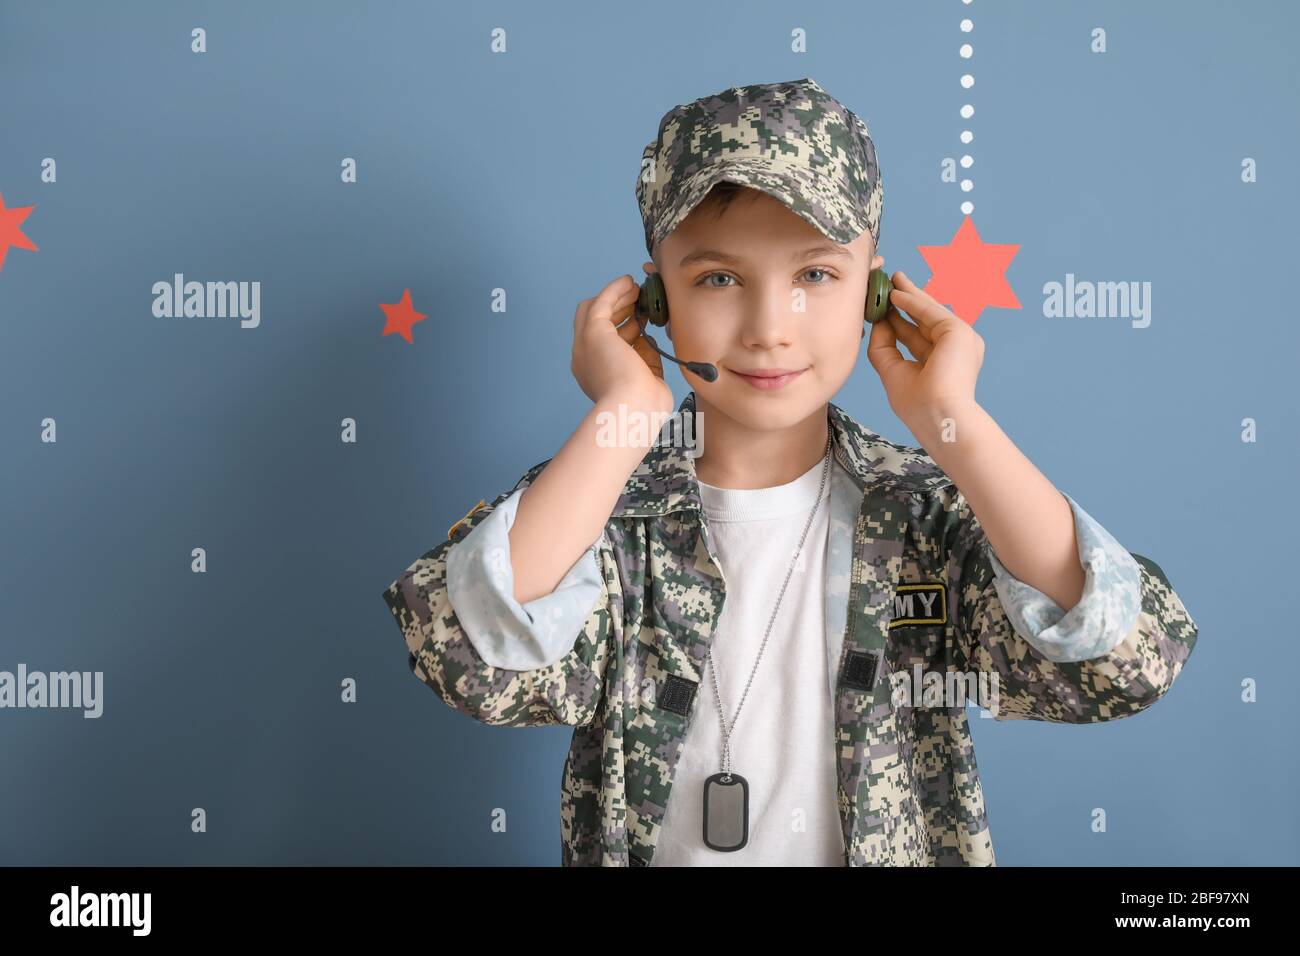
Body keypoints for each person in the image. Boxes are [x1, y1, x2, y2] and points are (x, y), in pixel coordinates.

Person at [381, 77, 1198, 866]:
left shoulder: (923, 513)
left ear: (875, 290)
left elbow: (1124, 663)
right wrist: (620, 413)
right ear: (653, 298)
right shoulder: (602, 510)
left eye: (815, 275)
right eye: (719, 279)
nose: (772, 328)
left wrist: (955, 424)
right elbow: (470, 664)